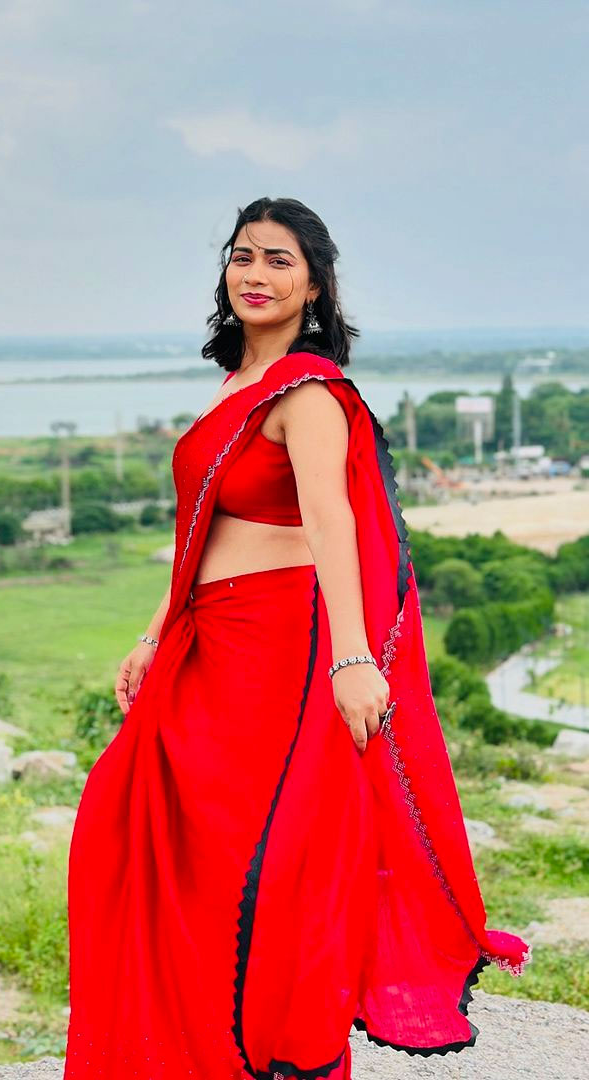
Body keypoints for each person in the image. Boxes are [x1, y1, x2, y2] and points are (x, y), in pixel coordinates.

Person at [63, 197, 531, 1080]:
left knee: (260, 861)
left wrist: (353, 658)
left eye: (280, 260)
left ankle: (266, 1052)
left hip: (279, 648)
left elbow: (331, 522)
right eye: (243, 256)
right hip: (207, 638)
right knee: (134, 828)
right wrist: (155, 632)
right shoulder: (236, 384)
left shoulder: (307, 390)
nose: (256, 274)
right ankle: (179, 1051)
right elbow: (202, 529)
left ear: (314, 285)